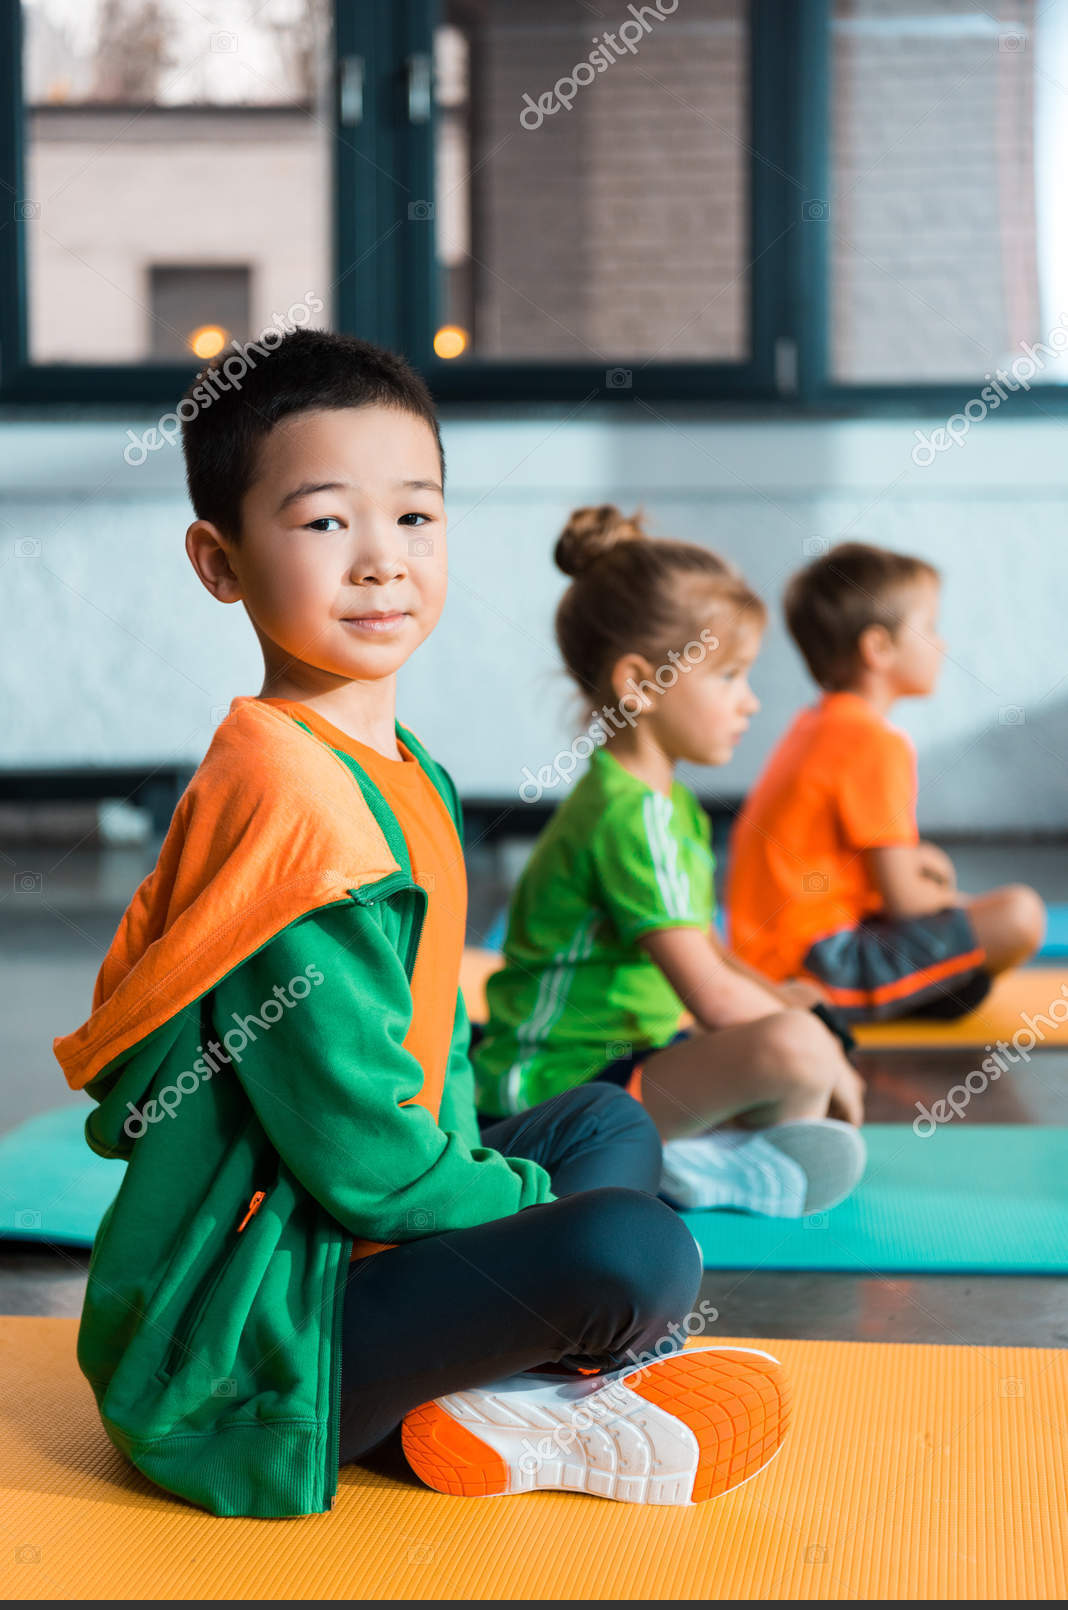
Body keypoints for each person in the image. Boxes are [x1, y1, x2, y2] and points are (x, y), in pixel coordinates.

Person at [52, 331, 789, 1519]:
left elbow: (428, 1063)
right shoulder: (289, 804)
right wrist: (533, 1211)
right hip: (257, 1335)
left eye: (416, 519)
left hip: (373, 1239)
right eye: (326, 522)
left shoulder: (407, 771)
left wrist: (509, 1185)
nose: (382, 563)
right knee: (641, 1254)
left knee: (603, 1117)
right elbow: (362, 1159)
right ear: (219, 559)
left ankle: (497, 1390)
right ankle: (546, 1379)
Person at [471, 505, 866, 1218]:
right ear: (640, 684)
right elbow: (712, 998)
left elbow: (707, 953)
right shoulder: (631, 815)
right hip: (555, 1099)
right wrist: (818, 1046)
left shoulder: (661, 802)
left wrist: (799, 1006)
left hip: (623, 1066)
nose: (750, 702)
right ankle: (690, 1161)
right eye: (730, 676)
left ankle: (693, 1155)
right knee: (796, 1050)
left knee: (798, 1015)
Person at [726, 541, 1046, 1021]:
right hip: (814, 966)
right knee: (1020, 915)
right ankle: (907, 995)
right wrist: (950, 898)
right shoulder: (874, 743)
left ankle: (929, 987)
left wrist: (924, 870)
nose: (943, 645)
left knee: (969, 914)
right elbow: (906, 901)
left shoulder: (817, 724)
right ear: (878, 647)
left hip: (773, 955)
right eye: (931, 628)